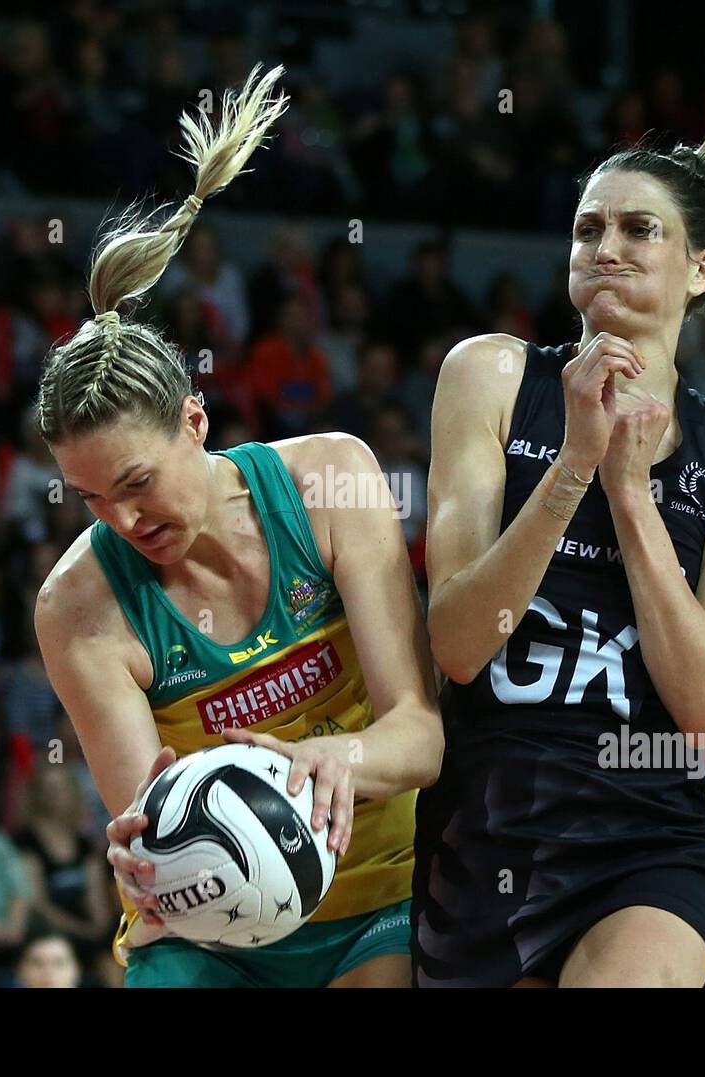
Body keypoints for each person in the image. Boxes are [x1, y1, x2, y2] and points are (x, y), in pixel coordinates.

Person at [412, 73, 705, 987]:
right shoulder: (490, 376)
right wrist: (576, 464)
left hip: (647, 832)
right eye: (587, 229)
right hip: (483, 821)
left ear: (701, 268)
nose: (605, 247)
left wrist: (632, 495)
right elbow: (458, 644)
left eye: (637, 229)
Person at [33, 65, 442, 989]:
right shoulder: (77, 608)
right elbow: (147, 811)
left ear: (195, 421)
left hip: (378, 897)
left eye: (136, 483)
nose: (122, 519)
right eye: (90, 499)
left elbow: (421, 734)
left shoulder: (331, 479)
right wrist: (137, 851)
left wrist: (339, 757)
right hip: (206, 924)